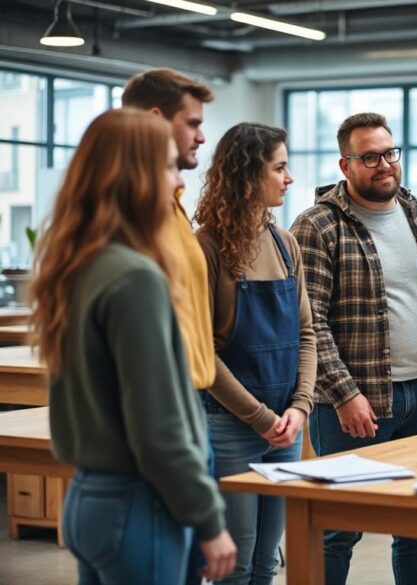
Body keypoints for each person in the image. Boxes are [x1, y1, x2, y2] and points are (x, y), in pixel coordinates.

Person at [31, 108, 236, 584]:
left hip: (88, 496)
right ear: (134, 178)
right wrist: (208, 518)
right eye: (167, 167)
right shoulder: (136, 277)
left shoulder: (79, 264)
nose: (179, 183)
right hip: (138, 503)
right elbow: (159, 428)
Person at [291, 112, 417, 585]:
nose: (384, 165)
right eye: (370, 157)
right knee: (338, 527)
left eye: (390, 153)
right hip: (352, 403)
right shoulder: (317, 226)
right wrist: (344, 393)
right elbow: (309, 322)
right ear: (345, 165)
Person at [193, 123, 316, 585]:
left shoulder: (285, 244)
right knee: (235, 566)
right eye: (280, 168)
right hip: (230, 425)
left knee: (268, 562)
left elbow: (307, 334)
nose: (289, 178)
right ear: (248, 174)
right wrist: (260, 417)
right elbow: (201, 354)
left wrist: (300, 407)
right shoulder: (205, 249)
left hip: (286, 425)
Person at [121, 69, 218, 584]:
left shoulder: (169, 200)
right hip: (160, 420)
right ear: (157, 121)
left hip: (189, 410)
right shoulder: (128, 211)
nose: (201, 135)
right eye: (193, 123)